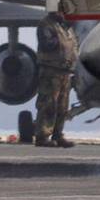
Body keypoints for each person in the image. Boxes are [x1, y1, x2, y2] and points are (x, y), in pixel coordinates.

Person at [33, 11, 78, 148]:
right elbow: (47, 44)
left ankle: (58, 134)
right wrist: (61, 40)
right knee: (48, 103)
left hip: (65, 71)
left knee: (62, 107)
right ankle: (43, 136)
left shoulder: (66, 27)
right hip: (51, 70)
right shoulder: (46, 25)